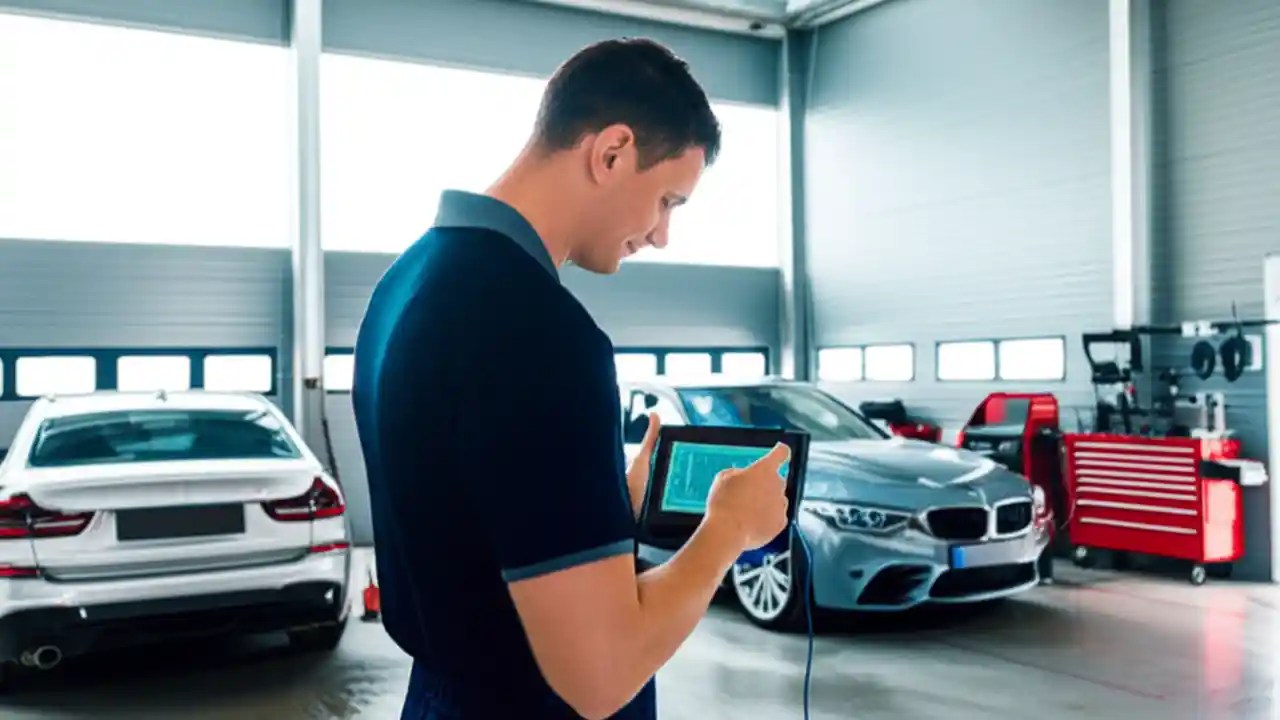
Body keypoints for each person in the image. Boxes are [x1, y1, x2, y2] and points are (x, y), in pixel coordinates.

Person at [351, 37, 790, 720]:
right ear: (611, 152)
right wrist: (728, 531)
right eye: (667, 200)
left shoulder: (405, 283)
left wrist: (603, 504)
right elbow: (600, 676)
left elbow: (464, 520)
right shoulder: (541, 331)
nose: (661, 235)